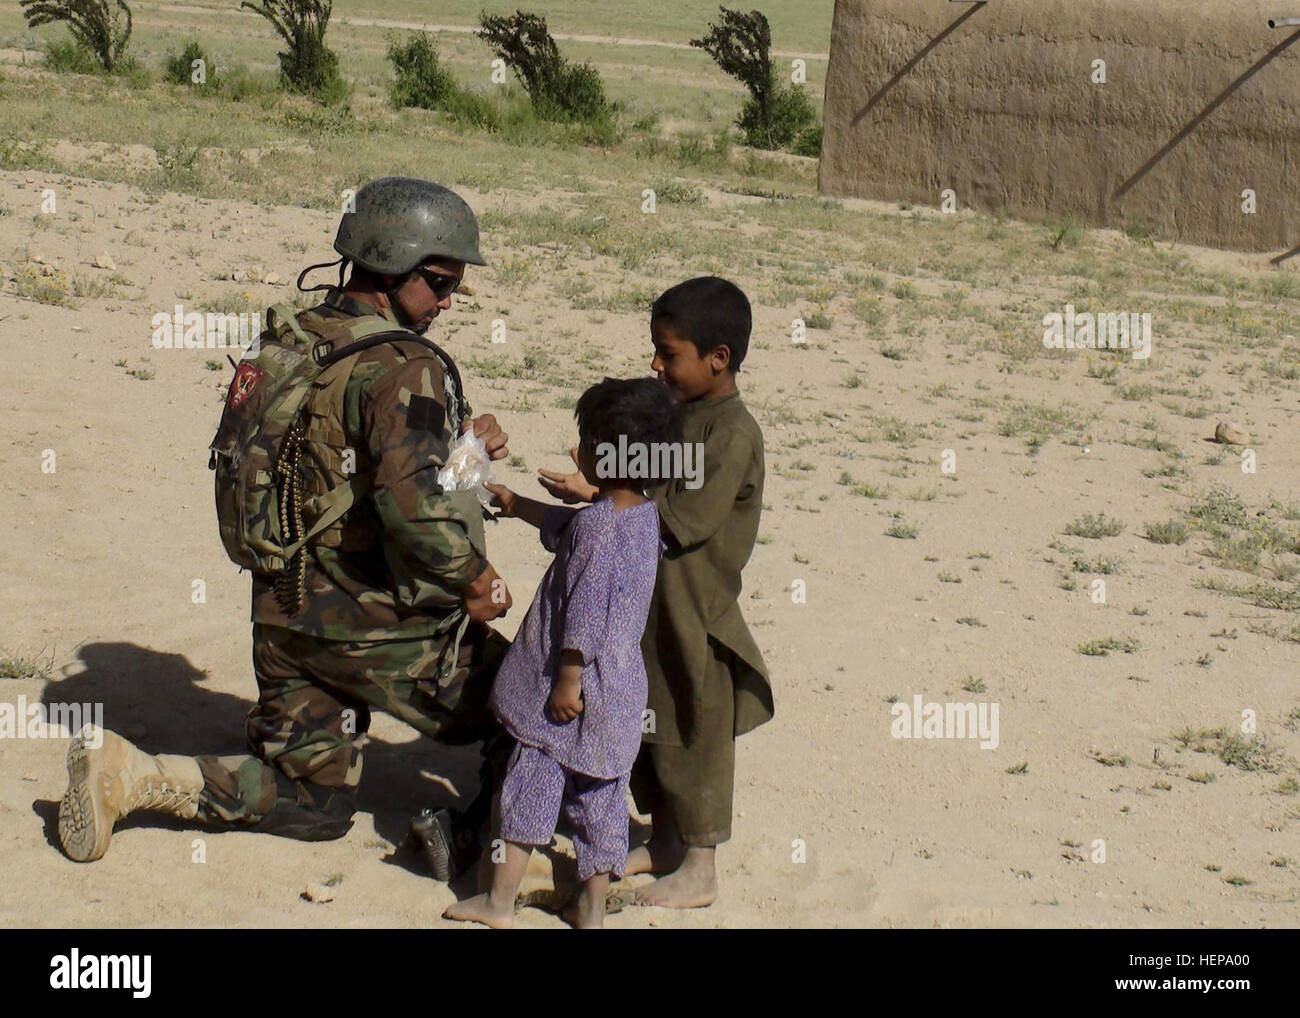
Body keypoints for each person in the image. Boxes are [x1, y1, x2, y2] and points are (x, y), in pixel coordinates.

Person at [58, 177, 514, 876]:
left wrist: (465, 451)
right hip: (376, 629)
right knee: (536, 705)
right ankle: (479, 845)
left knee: (313, 801)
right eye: (442, 282)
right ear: (396, 265)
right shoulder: (403, 366)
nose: (449, 301)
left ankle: (138, 773)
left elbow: (340, 472)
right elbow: (417, 510)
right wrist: (477, 575)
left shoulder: (297, 338)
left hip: (283, 620)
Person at [539, 276, 773, 909]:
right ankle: (666, 841)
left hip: (697, 614)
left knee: (695, 733)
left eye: (669, 354)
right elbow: (646, 486)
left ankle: (699, 865)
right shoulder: (682, 418)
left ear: (718, 359)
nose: (656, 364)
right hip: (649, 607)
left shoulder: (730, 434)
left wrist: (600, 503)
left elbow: (681, 520)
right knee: (651, 727)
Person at [443, 378, 679, 928]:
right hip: (619, 688)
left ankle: (498, 901)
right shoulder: (643, 519)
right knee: (602, 798)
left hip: (570, 689)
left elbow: (585, 614)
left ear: (608, 456)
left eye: (588, 445)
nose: (579, 454)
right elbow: (572, 526)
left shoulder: (599, 527)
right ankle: (591, 907)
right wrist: (517, 502)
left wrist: (566, 681)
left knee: (531, 785)